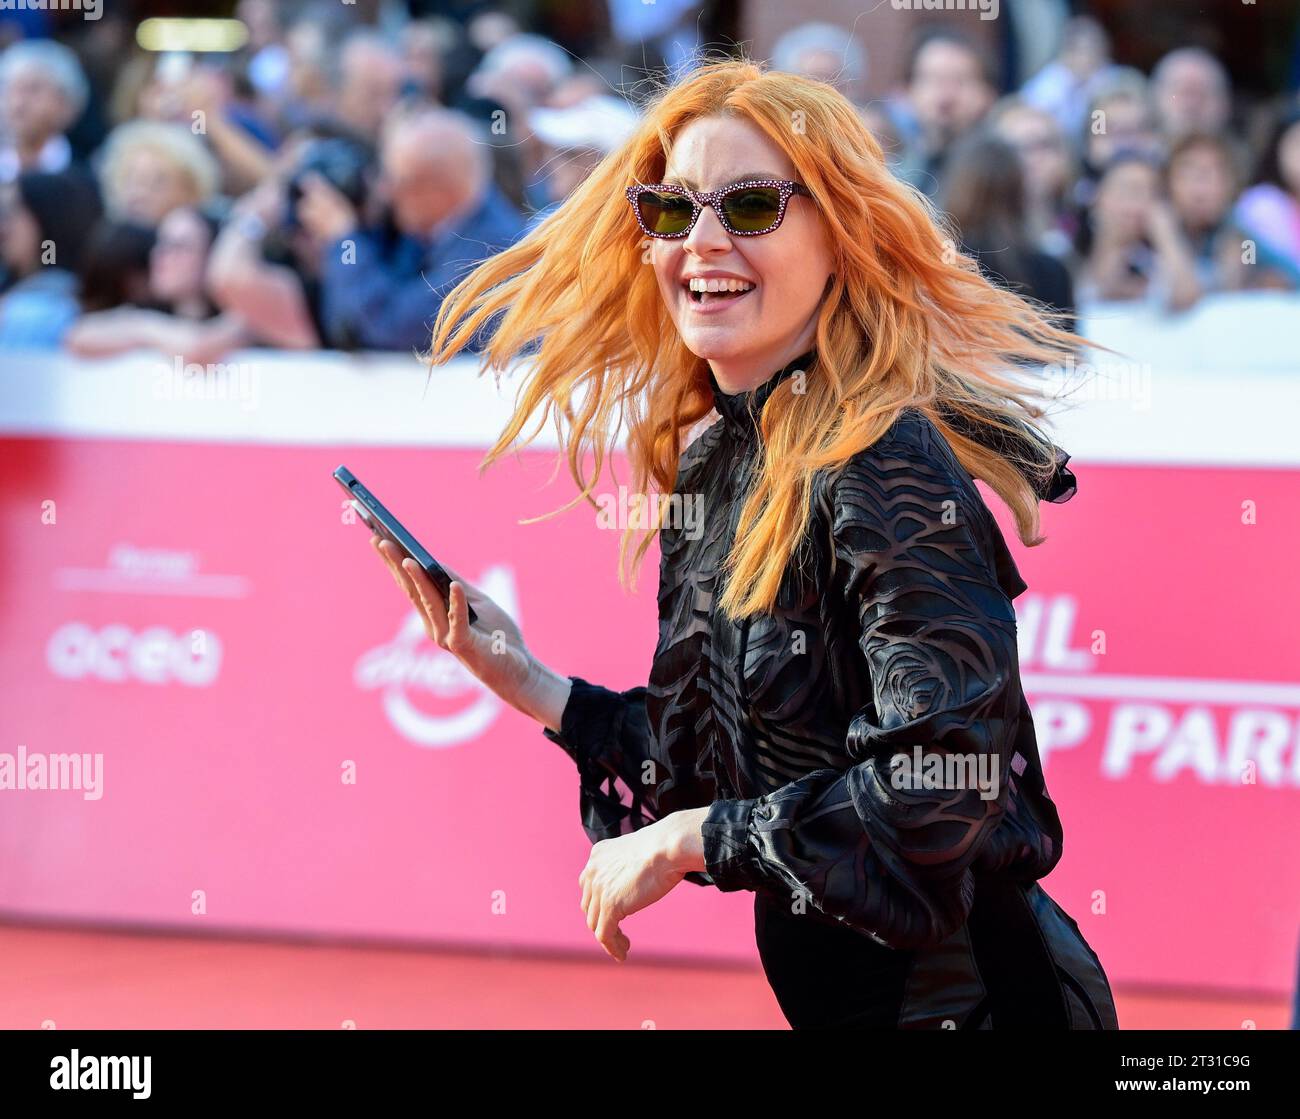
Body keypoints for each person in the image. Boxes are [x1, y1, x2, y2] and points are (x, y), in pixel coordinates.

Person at [369, 58, 1118, 1030]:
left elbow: (943, 781)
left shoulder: (883, 463)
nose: (703, 242)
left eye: (753, 205)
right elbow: (705, 766)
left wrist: (692, 837)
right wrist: (523, 679)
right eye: (672, 212)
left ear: (838, 232)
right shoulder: (718, 462)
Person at [0, 168, 102, 348]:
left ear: (43, 216)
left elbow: (50, 264)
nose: (3, 228)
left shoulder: (57, 297)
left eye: (10, 213)